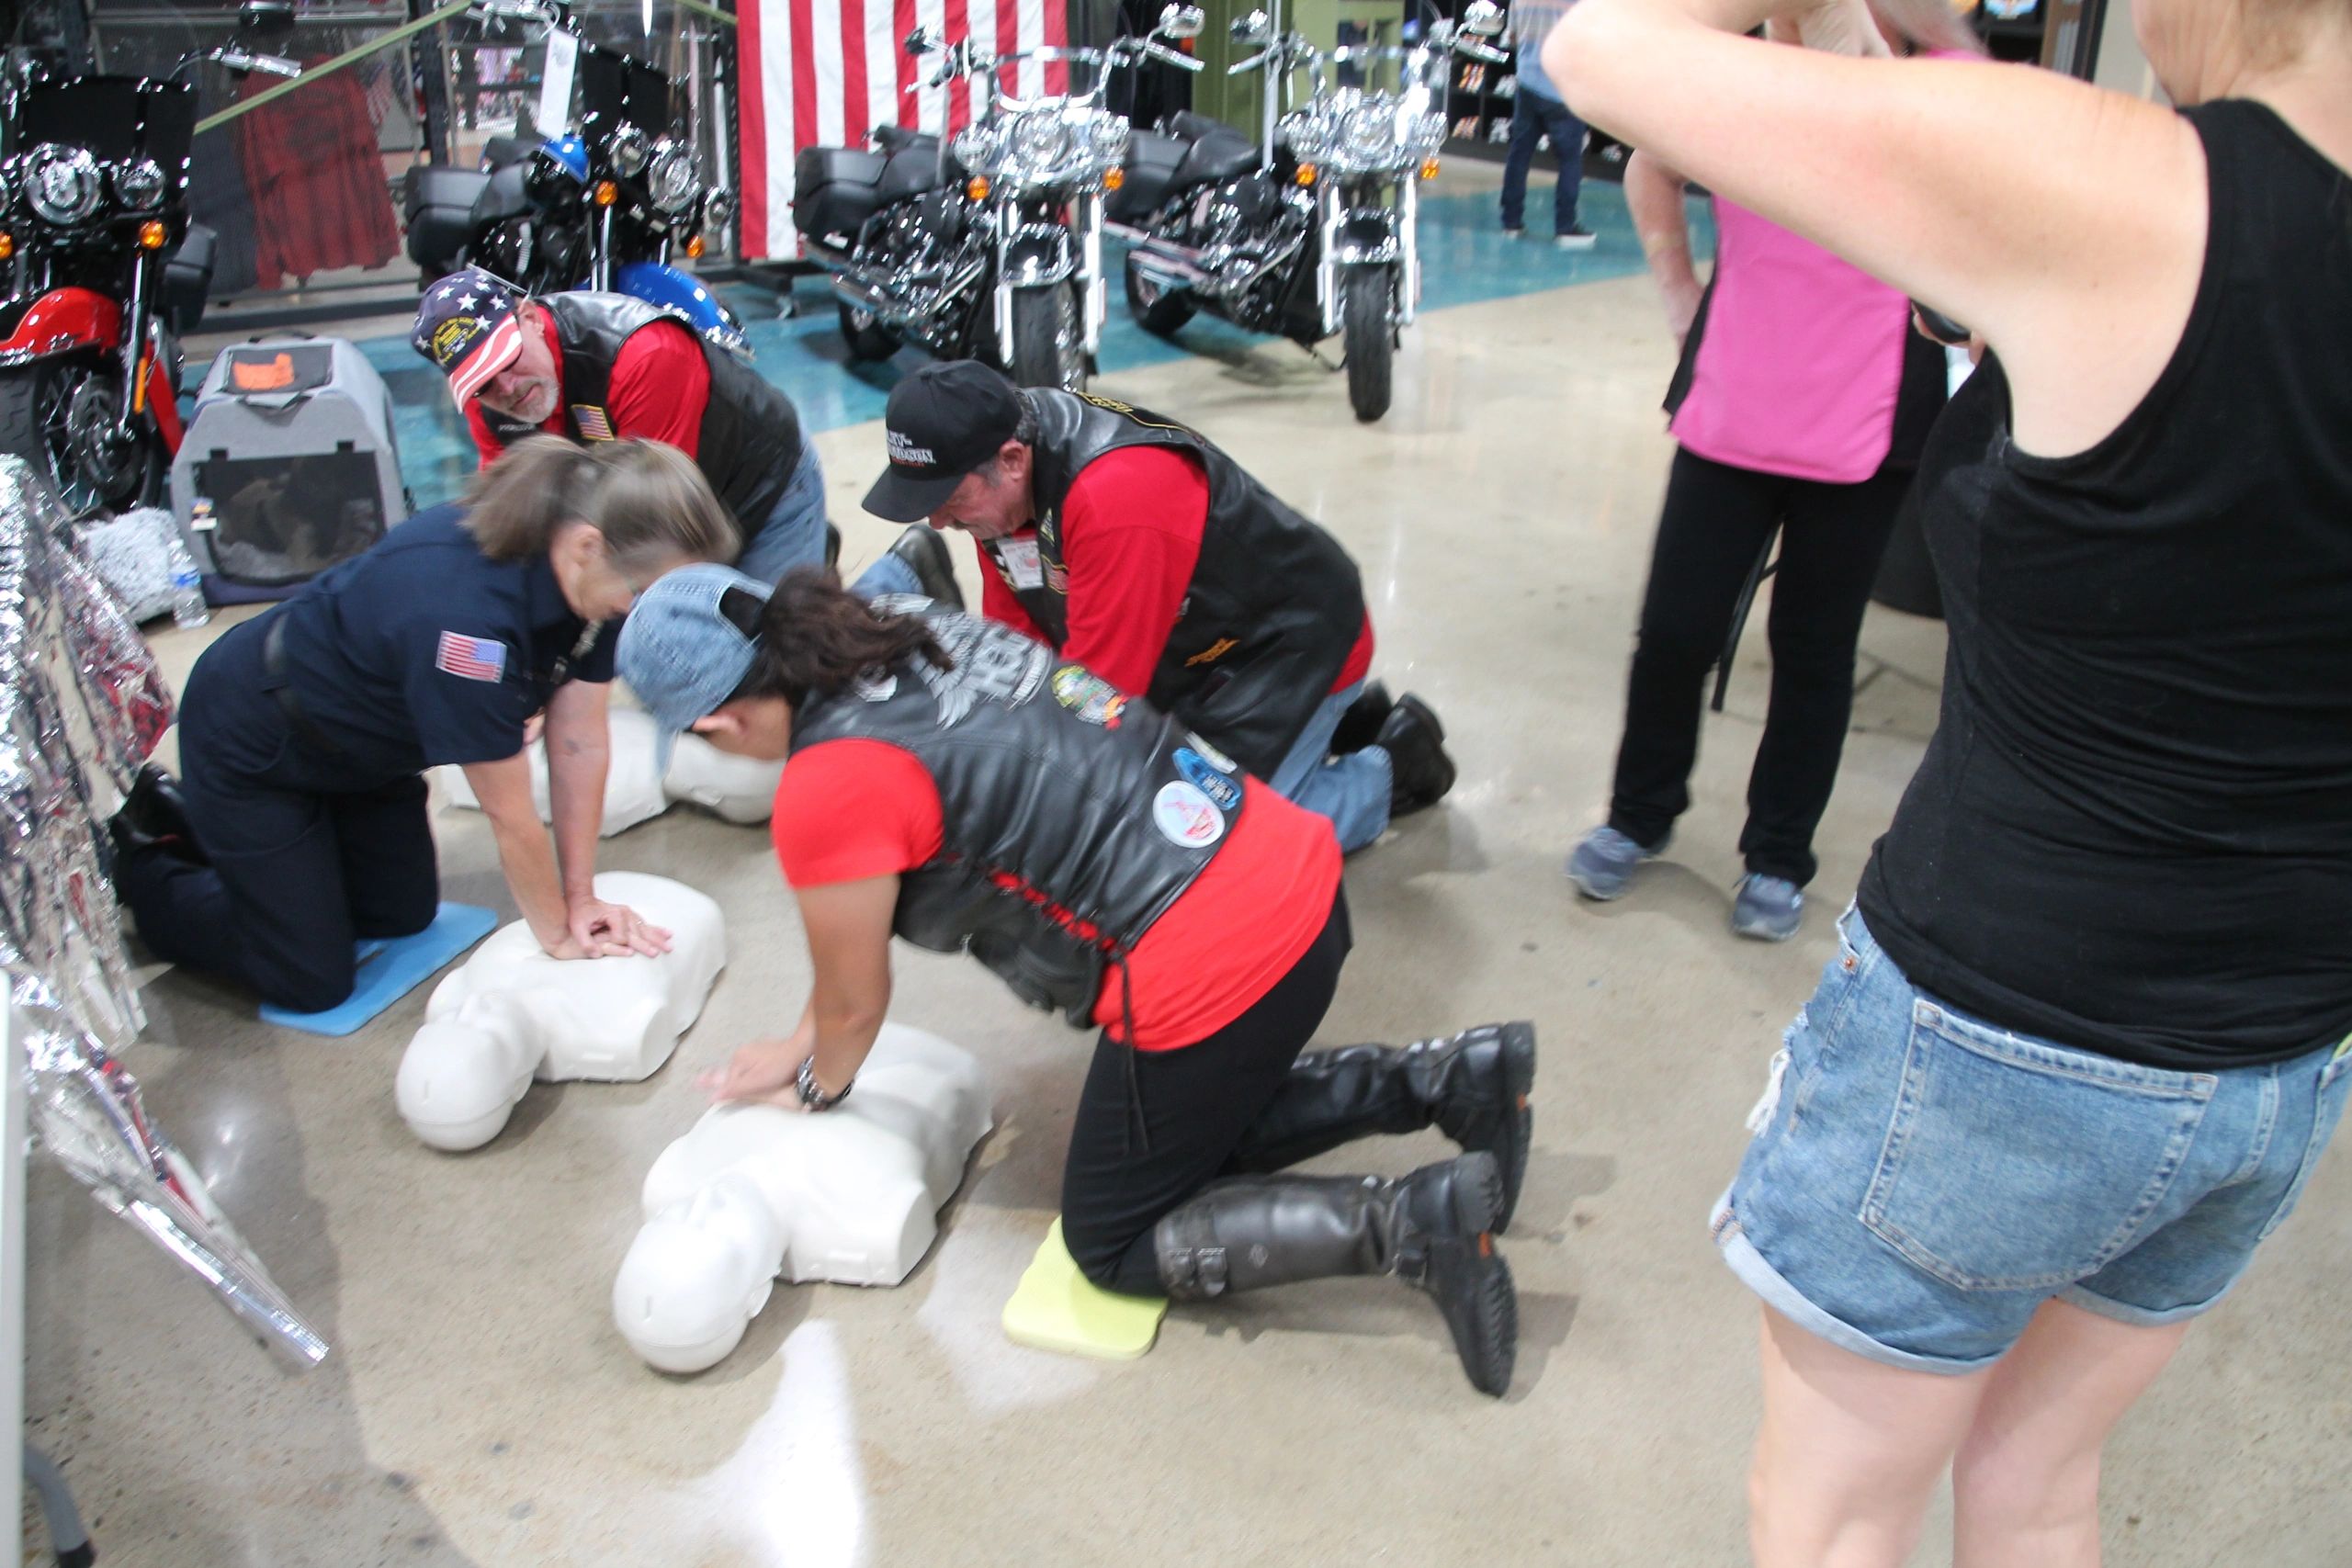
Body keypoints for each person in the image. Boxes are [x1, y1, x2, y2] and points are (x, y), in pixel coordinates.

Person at [1555, 0, 2352, 1557]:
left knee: (1833, 1510)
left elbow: (1599, 48)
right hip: (2279, 1054)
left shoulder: (2122, 180)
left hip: (2002, 1030)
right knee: (2039, 1485)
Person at [616, 562, 1537, 1395]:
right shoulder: (890, 618)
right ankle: (1453, 1078)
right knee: (1182, 1138)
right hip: (1285, 867)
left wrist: (814, 1086)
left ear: (714, 723)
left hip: (1219, 965)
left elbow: (857, 1007)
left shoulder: (827, 784)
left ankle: (1416, 1223)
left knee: (1114, 1238)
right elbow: (844, 968)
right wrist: (795, 1042)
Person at [1564, 0, 1968, 942]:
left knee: (1813, 647)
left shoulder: (1921, 96)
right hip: (1736, 394)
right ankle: (1638, 813)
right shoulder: (1730, 81)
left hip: (1868, 411)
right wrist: (1679, 295)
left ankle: (1779, 853)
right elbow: (1650, 162)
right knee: (1675, 629)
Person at [112, 438, 734, 1014]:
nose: (643, 607)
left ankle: (216, 832)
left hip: (369, 754)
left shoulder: (596, 579)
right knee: (309, 976)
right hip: (257, 739)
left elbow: (577, 742)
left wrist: (582, 895)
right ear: (587, 547)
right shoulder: (469, 625)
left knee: (400, 915)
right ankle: (138, 859)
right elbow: (511, 817)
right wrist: (558, 936)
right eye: (643, 589)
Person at [860, 359, 1454, 854]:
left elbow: (1101, 697)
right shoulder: (1002, 468)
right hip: (1194, 651)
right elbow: (1019, 639)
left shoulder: (1115, 497)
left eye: (947, 497)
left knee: (1211, 843)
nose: (937, 520)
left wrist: (1026, 803)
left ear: (1012, 460)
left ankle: (1393, 767)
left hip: (1292, 647)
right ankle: (1341, 725)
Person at [409, 268, 958, 601]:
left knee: (776, 666)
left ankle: (902, 571)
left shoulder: (640, 353)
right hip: (670, 500)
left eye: (508, 360)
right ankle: (802, 567)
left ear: (529, 316)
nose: (506, 389)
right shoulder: (489, 401)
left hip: (759, 486)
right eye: (484, 383)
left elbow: (658, 520)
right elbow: (511, 514)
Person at [1499, 0, 1595, 247]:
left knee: (1519, 155)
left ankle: (1511, 222)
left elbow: (1512, 37)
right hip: (1561, 89)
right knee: (1570, 160)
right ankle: (1565, 226)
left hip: (1527, 84)